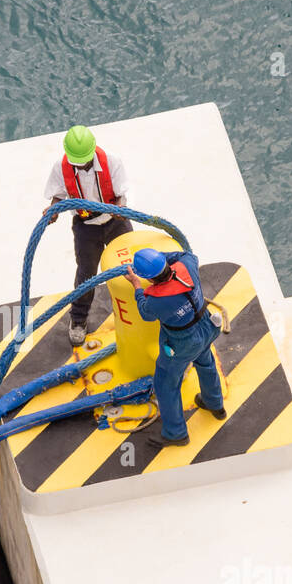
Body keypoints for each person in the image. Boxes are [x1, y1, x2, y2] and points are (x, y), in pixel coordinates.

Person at [125, 247, 226, 449]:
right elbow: (185, 255)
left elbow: (146, 313)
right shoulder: (187, 265)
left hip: (182, 343)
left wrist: (137, 286)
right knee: (206, 363)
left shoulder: (157, 301)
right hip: (206, 327)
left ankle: (176, 433)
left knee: (165, 383)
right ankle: (215, 404)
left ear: (149, 279)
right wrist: (160, 258)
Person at [42, 125, 132, 345]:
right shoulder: (60, 167)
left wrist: (119, 209)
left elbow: (122, 196)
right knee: (86, 274)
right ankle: (78, 320)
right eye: (77, 160)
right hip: (85, 226)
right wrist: (53, 209)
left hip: (115, 222)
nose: (81, 163)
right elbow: (58, 195)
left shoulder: (112, 161)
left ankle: (140, 308)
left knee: (131, 264)